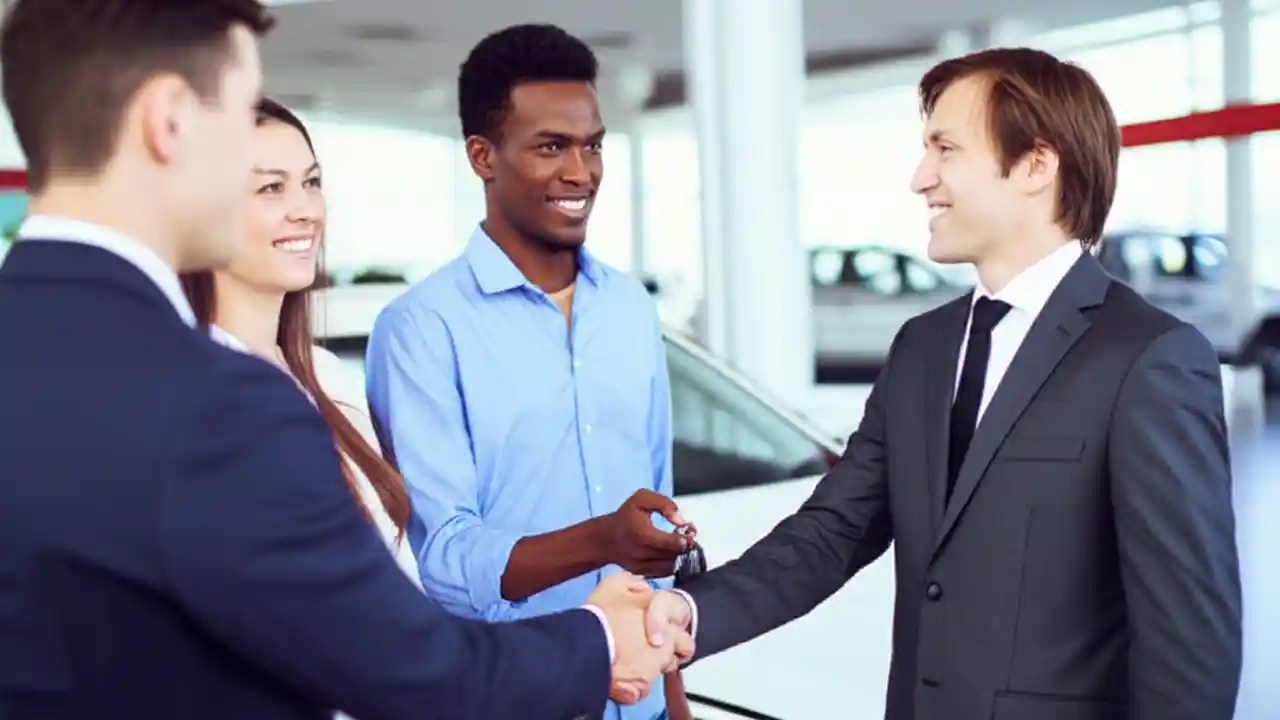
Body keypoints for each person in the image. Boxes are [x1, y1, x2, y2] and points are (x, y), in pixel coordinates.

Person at [0, 2, 688, 719]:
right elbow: (418, 679)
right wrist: (601, 637)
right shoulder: (220, 407)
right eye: (239, 122)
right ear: (168, 119)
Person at [642, 47, 1243, 720]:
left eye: (944, 149)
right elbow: (834, 529)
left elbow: (1190, 642)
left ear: (1035, 166)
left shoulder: (1150, 357)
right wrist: (689, 611)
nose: (920, 178)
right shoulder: (923, 347)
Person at [365, 23, 694, 720]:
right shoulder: (422, 330)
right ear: (483, 157)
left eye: (593, 144)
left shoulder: (631, 308)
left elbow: (657, 513)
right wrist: (603, 538)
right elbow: (449, 564)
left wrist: (673, 697)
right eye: (551, 146)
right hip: (516, 699)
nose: (582, 172)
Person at [179, 98, 420, 586]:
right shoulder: (190, 396)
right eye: (271, 188)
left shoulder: (327, 374)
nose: (306, 211)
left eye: (311, 183)